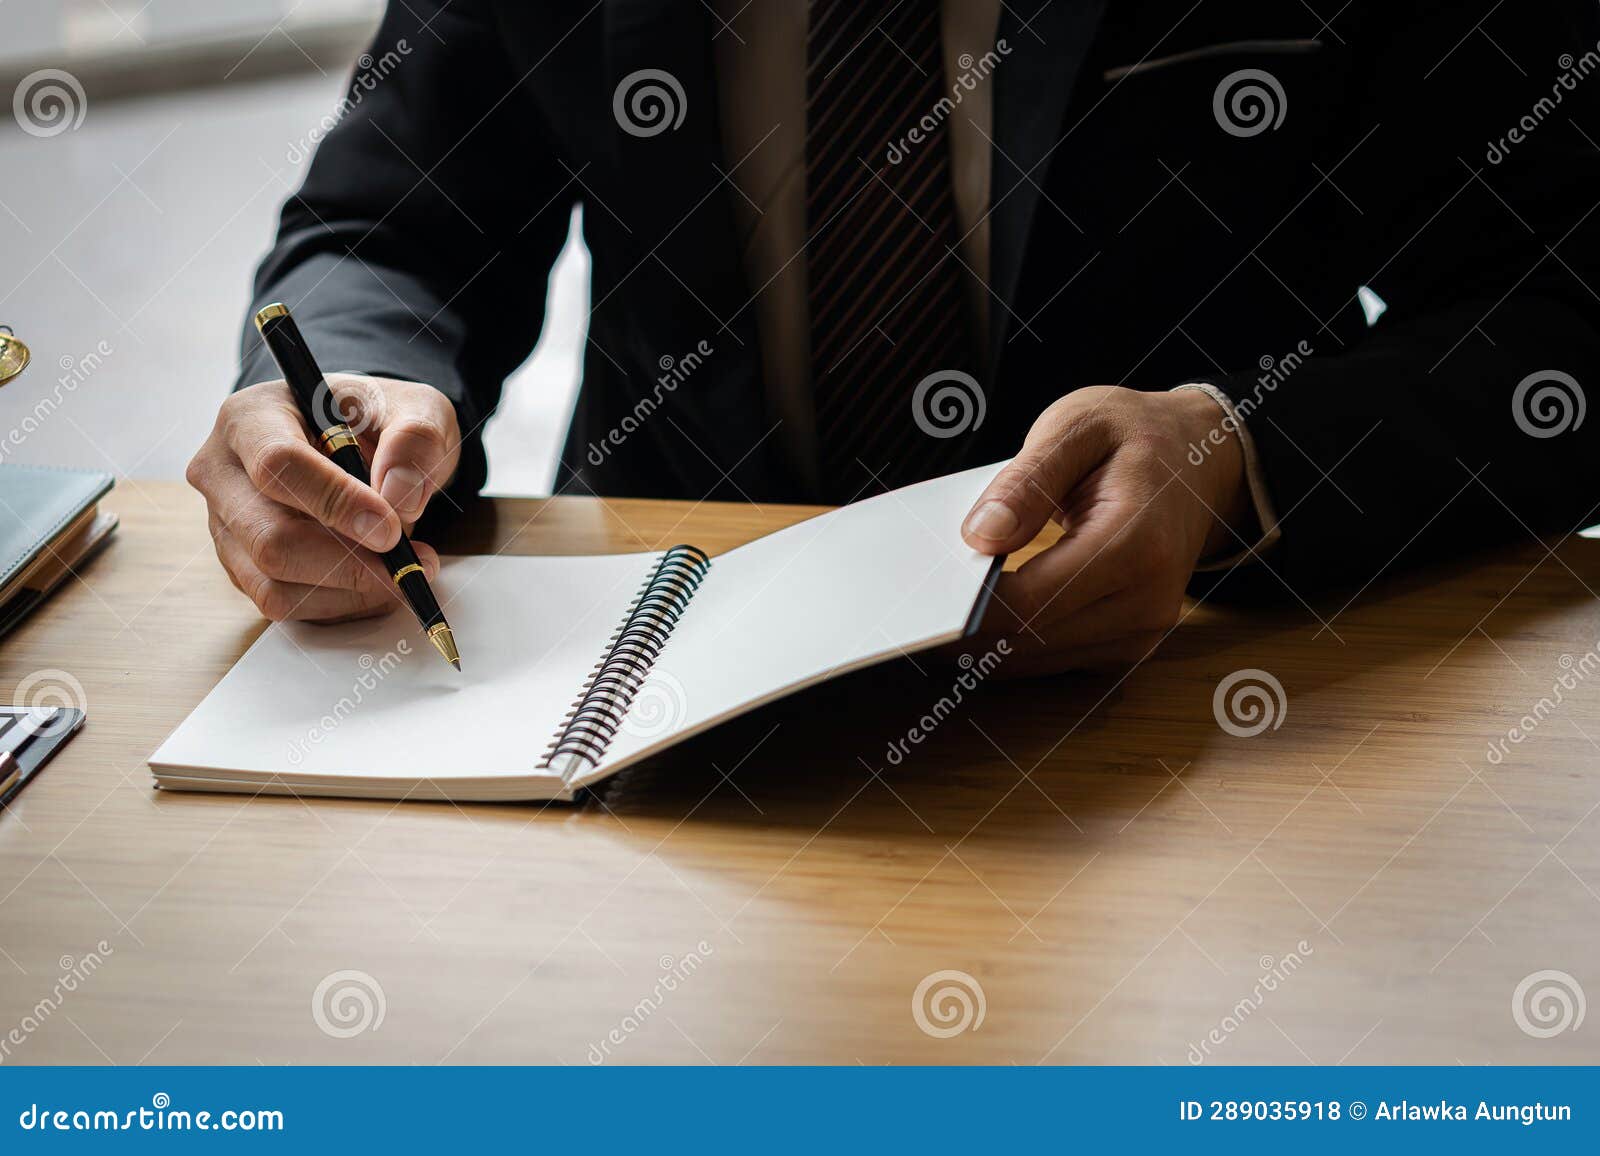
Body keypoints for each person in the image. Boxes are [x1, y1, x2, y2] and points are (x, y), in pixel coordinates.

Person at [187, 2, 1600, 676]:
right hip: (646, 685)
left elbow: (1565, 313)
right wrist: (345, 389)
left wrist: (1238, 459)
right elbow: (386, 228)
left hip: (1185, 697)